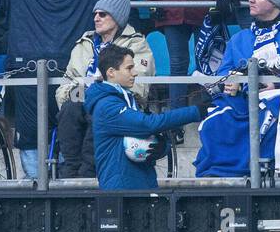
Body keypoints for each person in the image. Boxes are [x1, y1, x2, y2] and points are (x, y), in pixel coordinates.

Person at [54, 0, 154, 178]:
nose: (96, 18)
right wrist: (83, 86)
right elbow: (64, 86)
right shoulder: (84, 44)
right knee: (69, 109)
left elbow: (137, 86)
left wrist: (99, 86)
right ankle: (70, 170)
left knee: (100, 110)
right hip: (83, 95)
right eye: (95, 14)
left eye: (102, 14)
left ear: (117, 18)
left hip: (116, 101)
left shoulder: (137, 44)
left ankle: (88, 172)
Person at [87, 43, 205, 190]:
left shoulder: (124, 98)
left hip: (139, 185)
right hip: (121, 191)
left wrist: (162, 147)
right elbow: (147, 125)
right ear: (111, 72)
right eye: (129, 68)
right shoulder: (107, 106)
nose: (135, 73)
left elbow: (144, 139)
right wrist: (196, 112)